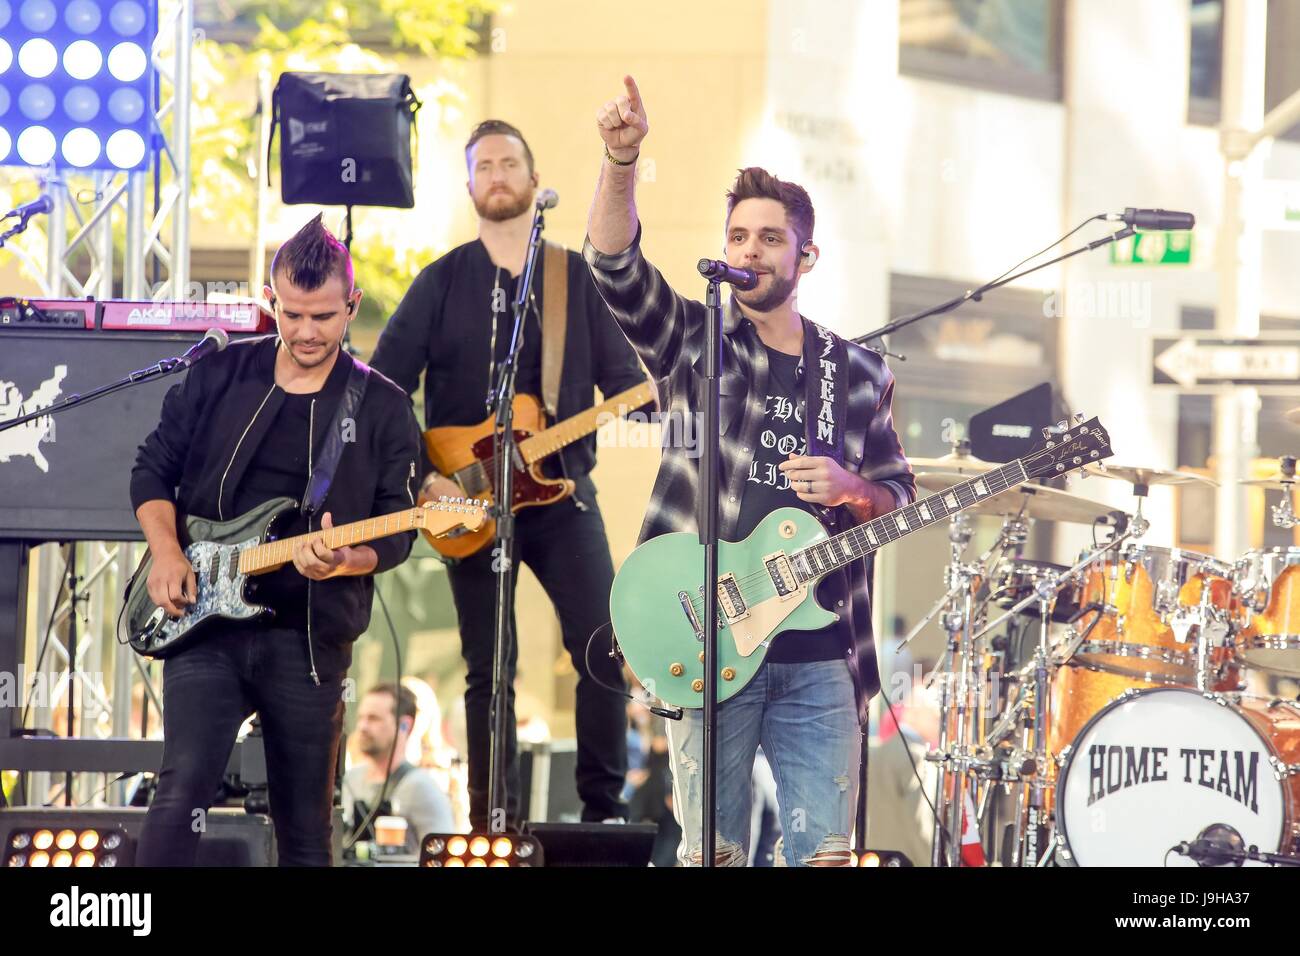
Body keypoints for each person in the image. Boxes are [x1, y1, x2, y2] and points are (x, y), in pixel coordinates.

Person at [584, 77, 916, 866]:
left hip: (822, 651)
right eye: (737, 237)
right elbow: (613, 264)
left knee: (825, 854)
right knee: (716, 853)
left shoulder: (857, 372)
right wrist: (622, 161)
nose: (749, 251)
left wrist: (854, 490)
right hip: (707, 639)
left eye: (769, 238)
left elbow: (901, 498)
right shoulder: (694, 340)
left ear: (806, 255)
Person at [370, 120, 646, 828]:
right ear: (469, 186)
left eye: (508, 163)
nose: (497, 174)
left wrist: (656, 397)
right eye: (483, 165)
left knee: (601, 646)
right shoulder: (439, 282)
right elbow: (382, 394)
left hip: (562, 496)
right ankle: (494, 822)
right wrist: (423, 481)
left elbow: (628, 383)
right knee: (489, 667)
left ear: (533, 178)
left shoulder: (574, 279)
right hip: (465, 504)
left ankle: (602, 814)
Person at [130, 215, 424, 866]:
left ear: (352, 305)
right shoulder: (221, 374)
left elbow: (399, 526)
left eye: (323, 316)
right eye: (292, 315)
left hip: (309, 638)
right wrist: (168, 553)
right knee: (180, 792)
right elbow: (151, 468)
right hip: (204, 624)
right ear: (271, 301)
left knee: (306, 829)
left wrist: (345, 560)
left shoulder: (382, 407)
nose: (307, 332)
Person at [342, 683, 455, 849]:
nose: (362, 727)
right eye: (361, 718)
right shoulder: (350, 780)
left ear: (404, 725)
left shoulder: (422, 788)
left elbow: (444, 854)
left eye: (374, 718)